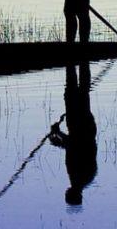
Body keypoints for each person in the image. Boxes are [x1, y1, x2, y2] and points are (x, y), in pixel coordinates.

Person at [48, 63, 98, 206]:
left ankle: (77, 62)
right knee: (76, 91)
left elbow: (74, 147)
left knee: (76, 91)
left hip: (82, 126)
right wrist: (59, 135)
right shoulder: (82, 176)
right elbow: (78, 145)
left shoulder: (81, 178)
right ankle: (77, 61)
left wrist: (59, 139)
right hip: (82, 126)